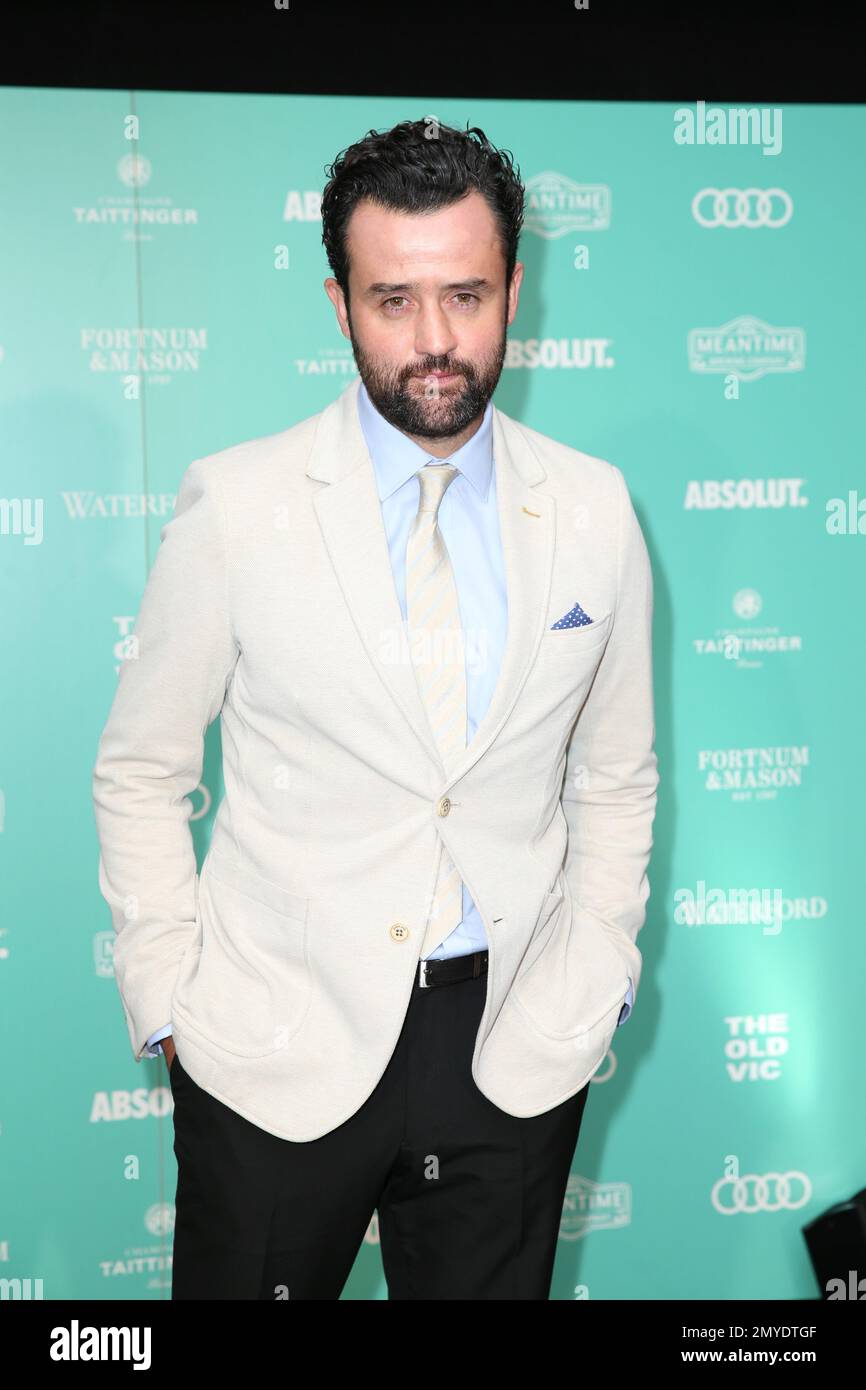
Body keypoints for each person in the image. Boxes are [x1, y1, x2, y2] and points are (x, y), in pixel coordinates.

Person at [92, 117, 659, 1300]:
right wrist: (168, 995)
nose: (435, 341)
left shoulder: (596, 511)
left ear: (515, 286)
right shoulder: (240, 506)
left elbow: (612, 775)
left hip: (510, 1040)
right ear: (338, 302)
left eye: (464, 293)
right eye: (392, 300)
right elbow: (143, 768)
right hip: (273, 1039)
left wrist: (597, 966)